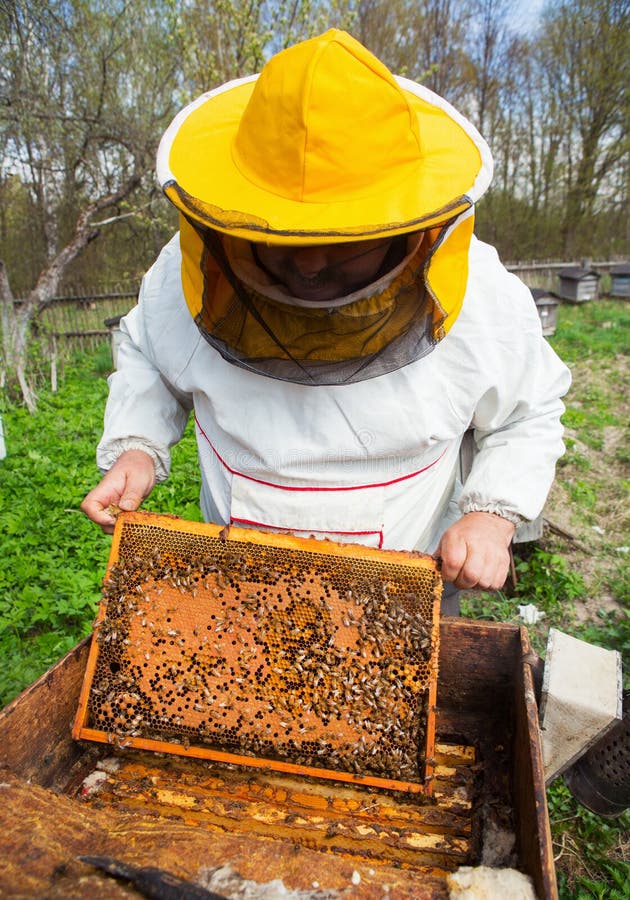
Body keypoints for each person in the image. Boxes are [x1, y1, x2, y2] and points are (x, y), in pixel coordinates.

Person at [81, 29, 571, 608]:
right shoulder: (190, 272)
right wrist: (137, 445)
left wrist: (492, 514)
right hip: (239, 588)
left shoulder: (481, 293)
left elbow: (526, 413)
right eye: (281, 236)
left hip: (404, 590)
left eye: (342, 240)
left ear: (407, 225)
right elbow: (149, 356)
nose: (310, 263)